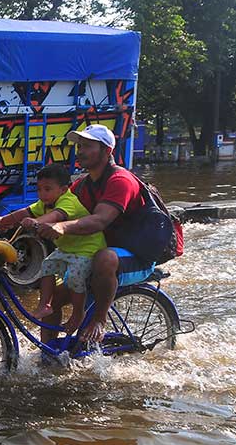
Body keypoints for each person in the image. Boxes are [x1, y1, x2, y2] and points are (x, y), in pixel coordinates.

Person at [33, 124, 152, 344]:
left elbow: (99, 221)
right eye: (79, 146)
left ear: (107, 151)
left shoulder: (121, 181)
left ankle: (99, 319)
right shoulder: (80, 185)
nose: (80, 151)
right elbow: (47, 208)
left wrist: (63, 227)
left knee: (104, 257)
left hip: (134, 255)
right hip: (97, 252)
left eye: (87, 146)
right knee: (52, 300)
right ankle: (47, 354)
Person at [0, 163, 106, 333]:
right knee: (46, 266)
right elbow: (24, 212)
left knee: (75, 276)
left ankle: (78, 314)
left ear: (63, 189)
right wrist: (2, 220)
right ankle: (45, 305)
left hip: (87, 249)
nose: (42, 194)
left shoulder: (68, 201)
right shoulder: (45, 202)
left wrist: (37, 222)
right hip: (67, 250)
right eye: (39, 189)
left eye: (47, 189)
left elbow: (56, 216)